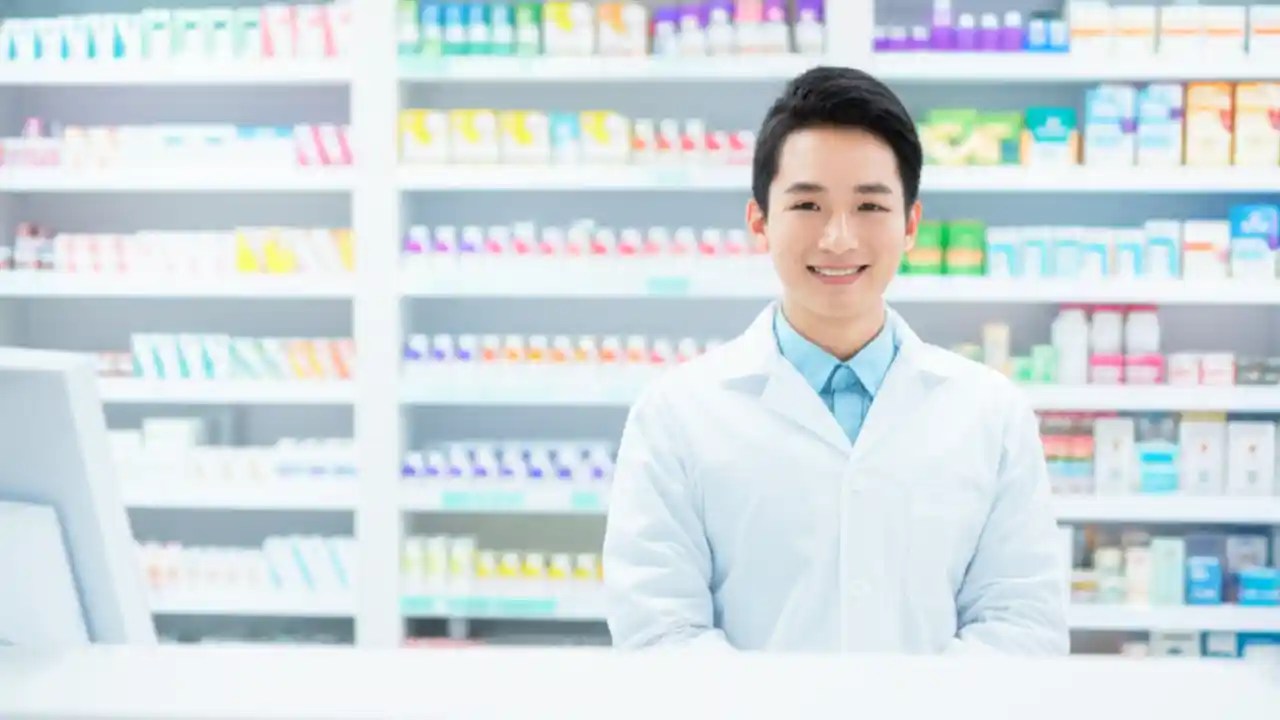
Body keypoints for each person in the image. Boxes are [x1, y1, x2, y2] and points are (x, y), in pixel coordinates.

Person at [602, 66, 1068, 654]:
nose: (839, 237)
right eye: (808, 205)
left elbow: (1021, 623)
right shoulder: (675, 415)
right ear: (760, 222)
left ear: (911, 226)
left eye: (870, 206)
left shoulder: (990, 414)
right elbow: (659, 632)